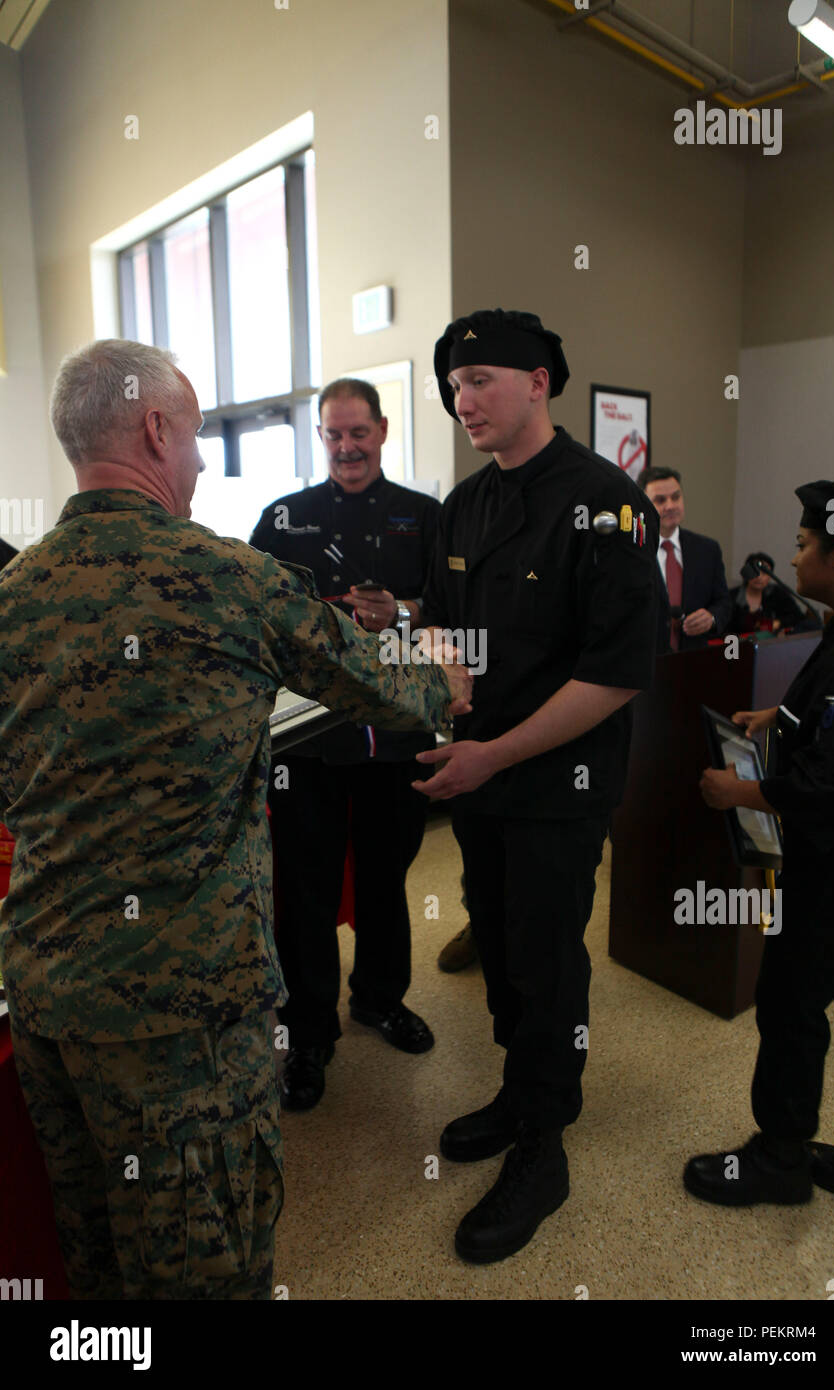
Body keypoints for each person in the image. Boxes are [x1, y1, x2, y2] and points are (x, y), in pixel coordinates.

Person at [0, 340, 470, 1300]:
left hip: (45, 995)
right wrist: (448, 678)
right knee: (203, 1268)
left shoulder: (11, 595)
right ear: (156, 428)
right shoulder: (226, 578)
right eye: (199, 433)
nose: (203, 458)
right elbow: (395, 691)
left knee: (93, 1259)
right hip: (181, 1014)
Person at [416, 308, 660, 1263]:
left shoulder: (610, 504)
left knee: (548, 952)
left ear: (537, 385)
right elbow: (438, 617)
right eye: (452, 384)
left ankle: (545, 1141)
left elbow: (615, 674)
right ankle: (519, 1090)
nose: (460, 399)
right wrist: (442, 658)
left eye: (479, 381)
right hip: (479, 780)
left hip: (559, 781)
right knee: (501, 944)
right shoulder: (463, 505)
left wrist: (491, 751)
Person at [249, 379, 444, 1111]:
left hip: (396, 734)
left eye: (357, 432)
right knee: (307, 887)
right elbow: (257, 613)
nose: (346, 446)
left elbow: (453, 606)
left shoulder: (424, 516)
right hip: (306, 744)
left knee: (388, 877)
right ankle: (309, 1034)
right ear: (320, 437)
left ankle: (380, 999)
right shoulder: (284, 517)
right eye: (333, 435)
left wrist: (405, 609)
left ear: (383, 430)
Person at [687, 475, 834, 1207]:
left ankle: (781, 1157)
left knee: (790, 1003)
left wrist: (741, 792)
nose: (791, 562)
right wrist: (778, 719)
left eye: (801, 547)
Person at [638, 465, 732, 651]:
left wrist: (712, 618)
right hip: (645, 663)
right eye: (660, 500)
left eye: (676, 497)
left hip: (693, 661)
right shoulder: (633, 550)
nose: (670, 506)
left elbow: (724, 603)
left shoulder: (707, 549)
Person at [725, 550, 817, 637]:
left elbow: (797, 617)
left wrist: (779, 623)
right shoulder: (731, 596)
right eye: (754, 572)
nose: (759, 577)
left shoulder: (777, 593)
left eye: (764, 573)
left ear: (770, 576)